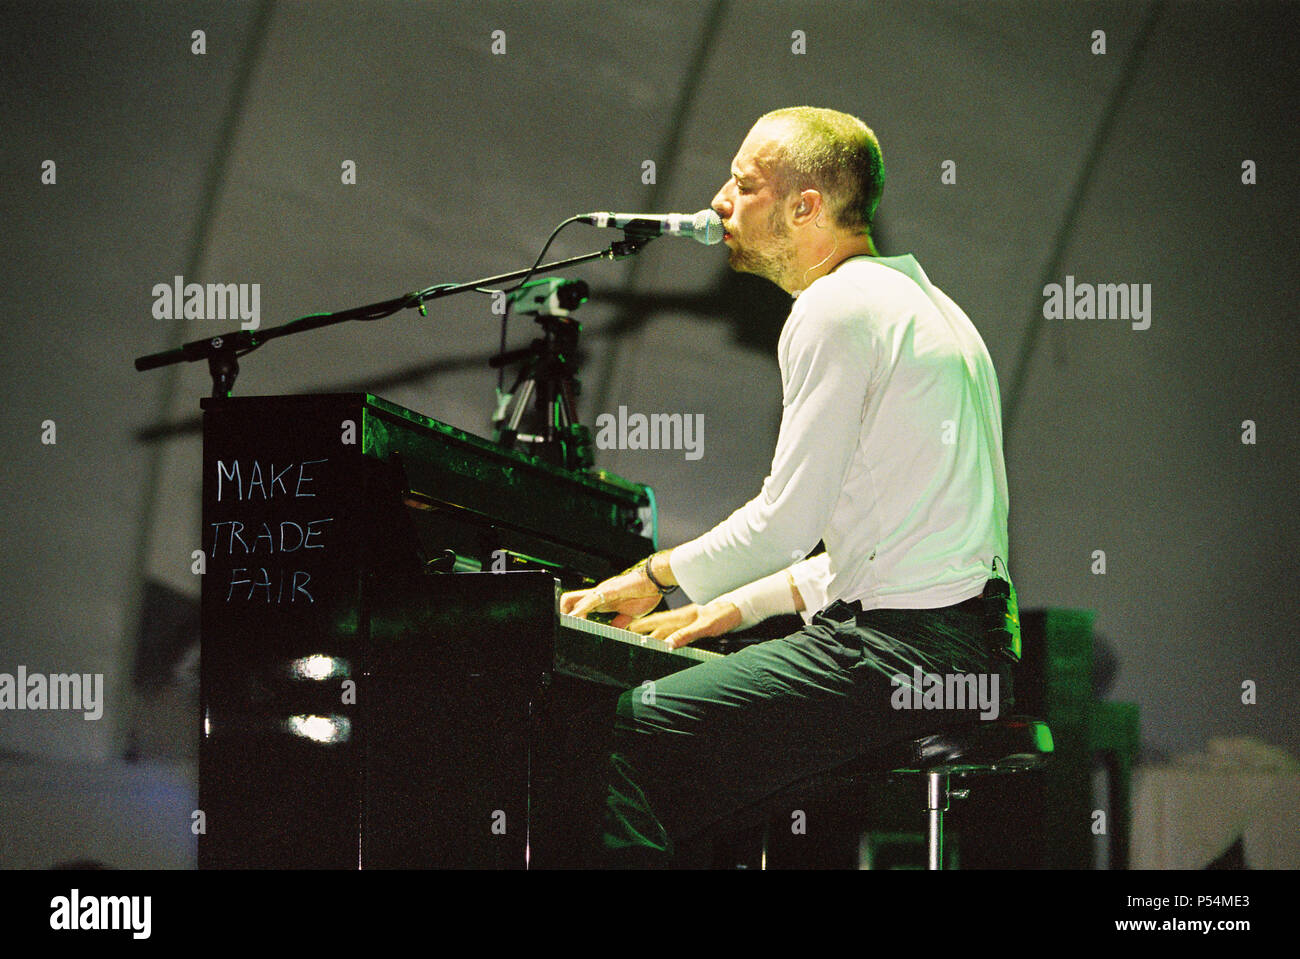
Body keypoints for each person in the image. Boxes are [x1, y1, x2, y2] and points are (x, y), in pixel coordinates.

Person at [560, 106, 1016, 867]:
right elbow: (881, 544)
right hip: (970, 658)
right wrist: (730, 608)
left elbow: (783, 522)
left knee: (612, 738)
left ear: (806, 207)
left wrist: (654, 576)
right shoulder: (933, 312)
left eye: (744, 184)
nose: (719, 201)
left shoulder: (832, 309)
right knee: (699, 775)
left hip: (898, 657)